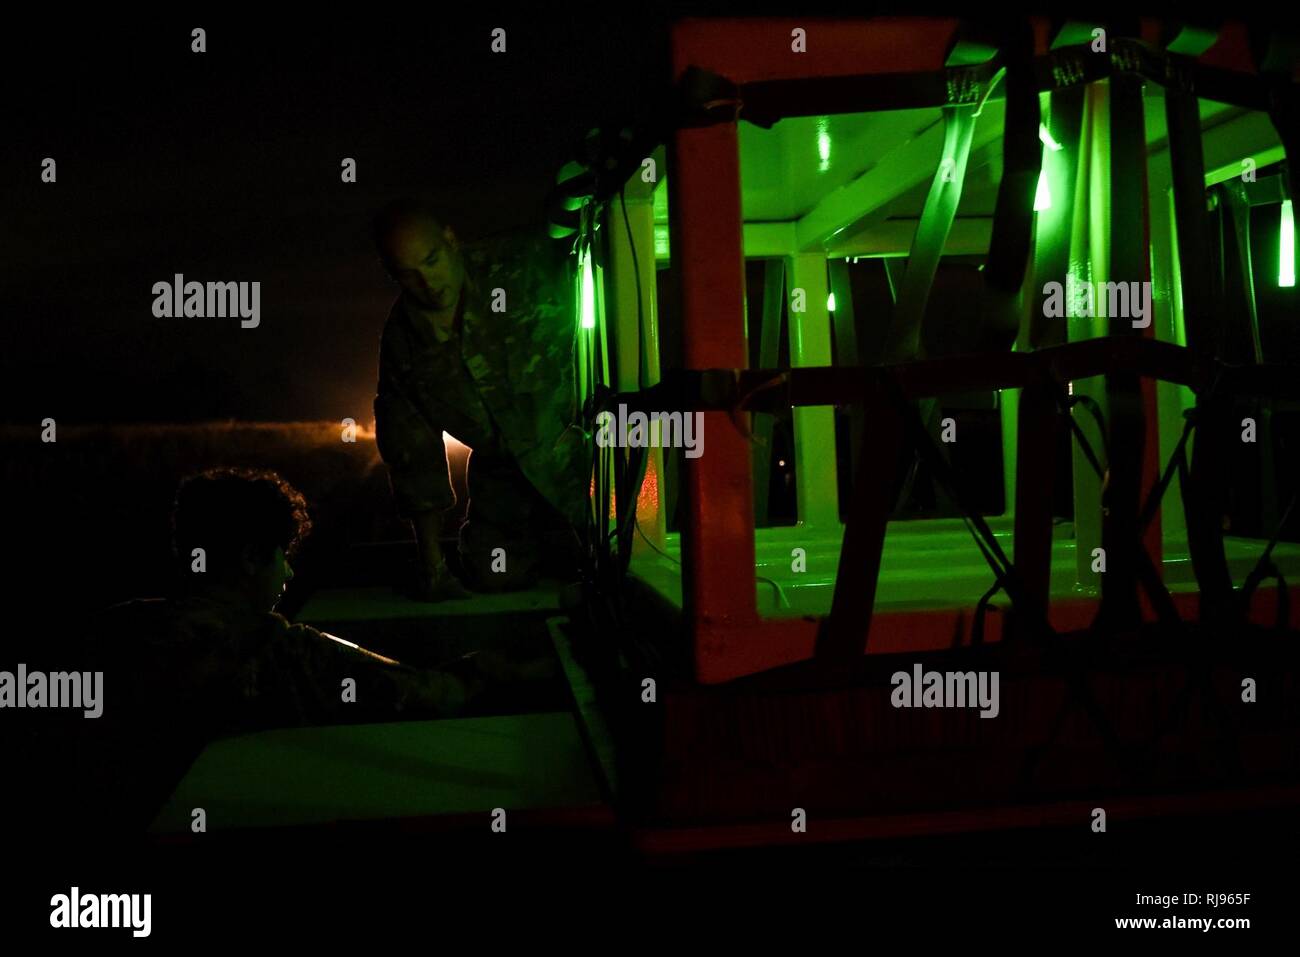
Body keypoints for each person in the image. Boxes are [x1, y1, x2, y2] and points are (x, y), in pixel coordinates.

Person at [76, 467, 524, 833]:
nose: (288, 571)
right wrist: (494, 667)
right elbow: (432, 694)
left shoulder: (115, 628)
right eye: (282, 554)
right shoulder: (278, 649)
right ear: (252, 558)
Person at [370, 198, 588, 600]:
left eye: (432, 261)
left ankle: (579, 550)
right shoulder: (404, 345)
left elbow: (586, 237)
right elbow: (413, 456)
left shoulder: (522, 262)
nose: (428, 282)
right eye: (409, 275)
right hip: (503, 480)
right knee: (493, 575)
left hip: (581, 457)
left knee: (619, 566)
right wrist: (433, 567)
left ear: (451, 240)